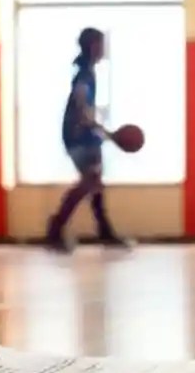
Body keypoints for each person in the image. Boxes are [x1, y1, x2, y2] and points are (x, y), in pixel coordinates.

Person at [45, 28, 132, 252]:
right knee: (89, 182)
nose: (104, 49)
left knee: (95, 184)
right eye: (101, 44)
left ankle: (104, 231)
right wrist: (107, 132)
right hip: (78, 135)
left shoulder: (88, 71)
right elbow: (82, 107)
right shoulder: (84, 74)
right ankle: (55, 228)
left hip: (85, 135)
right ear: (93, 46)